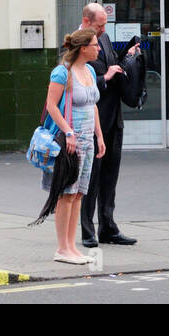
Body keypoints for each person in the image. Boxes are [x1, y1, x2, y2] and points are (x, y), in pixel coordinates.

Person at [79, 2, 139, 248]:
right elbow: (82, 85)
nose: (103, 30)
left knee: (110, 177)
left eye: (104, 25)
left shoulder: (102, 39)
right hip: (93, 121)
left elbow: (111, 65)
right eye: (99, 26)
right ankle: (87, 230)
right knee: (90, 178)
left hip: (113, 118)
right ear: (86, 21)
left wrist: (127, 57)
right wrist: (106, 78)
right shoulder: (77, 44)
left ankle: (108, 227)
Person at [43, 28, 105, 264]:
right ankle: (62, 248)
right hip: (71, 141)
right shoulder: (62, 73)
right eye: (95, 44)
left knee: (79, 193)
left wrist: (99, 136)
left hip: (88, 139)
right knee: (67, 193)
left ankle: (72, 246)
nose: (98, 48)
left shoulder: (89, 70)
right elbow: (51, 105)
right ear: (83, 48)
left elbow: (93, 106)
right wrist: (68, 132)